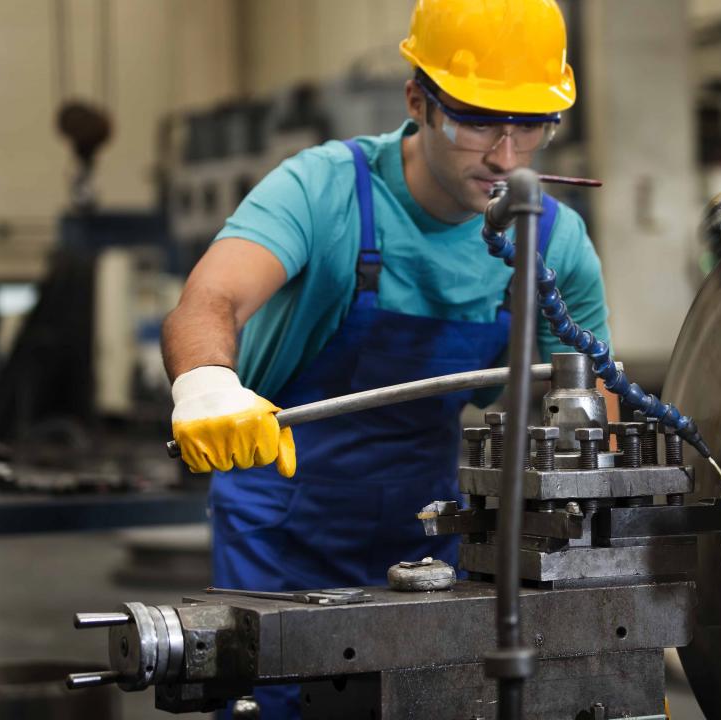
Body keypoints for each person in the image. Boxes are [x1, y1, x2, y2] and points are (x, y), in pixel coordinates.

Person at [161, 1, 609, 715]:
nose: (505, 156)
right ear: (416, 101)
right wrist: (207, 382)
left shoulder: (552, 241)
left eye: (531, 126)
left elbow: (588, 401)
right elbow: (210, 299)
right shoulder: (325, 189)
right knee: (277, 698)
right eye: (476, 120)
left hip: (431, 528)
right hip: (283, 525)